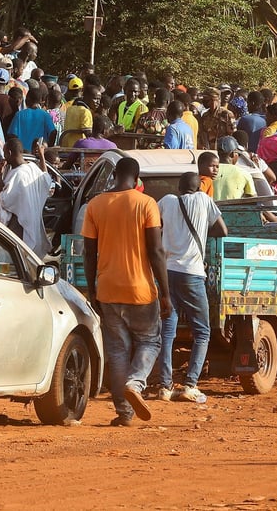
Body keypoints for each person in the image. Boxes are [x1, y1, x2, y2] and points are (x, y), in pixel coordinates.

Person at [82, 157, 172, 426]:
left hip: (108, 289)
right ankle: (135, 383)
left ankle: (124, 412)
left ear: (114, 175)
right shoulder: (146, 204)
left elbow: (88, 253)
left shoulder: (95, 205)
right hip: (140, 289)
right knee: (150, 341)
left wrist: (92, 289)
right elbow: (156, 251)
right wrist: (165, 292)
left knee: (118, 350)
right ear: (137, 178)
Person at [152, 171, 227, 403]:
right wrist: (202, 233)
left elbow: (155, 226)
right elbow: (222, 230)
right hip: (192, 274)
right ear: (198, 187)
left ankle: (164, 386)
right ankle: (190, 385)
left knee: (167, 331)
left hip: (167, 272)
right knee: (202, 331)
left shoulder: (166, 201)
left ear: (179, 187)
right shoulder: (204, 200)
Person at [0, 137, 53, 256]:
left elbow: (4, 199)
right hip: (32, 225)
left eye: (5, 153)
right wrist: (42, 156)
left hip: (19, 227)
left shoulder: (18, 175)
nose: (4, 156)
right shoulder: (32, 167)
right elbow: (46, 179)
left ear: (9, 153)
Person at [8, 87, 56, 152]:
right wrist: (48, 147)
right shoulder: (45, 115)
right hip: (39, 153)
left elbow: (12, 135)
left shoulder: (19, 115)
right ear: (40, 101)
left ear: (27, 100)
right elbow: (53, 132)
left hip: (23, 154)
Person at [214, 136, 256, 201]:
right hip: (233, 211)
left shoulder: (209, 171)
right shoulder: (244, 173)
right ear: (232, 154)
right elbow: (253, 200)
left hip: (210, 210)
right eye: (237, 153)